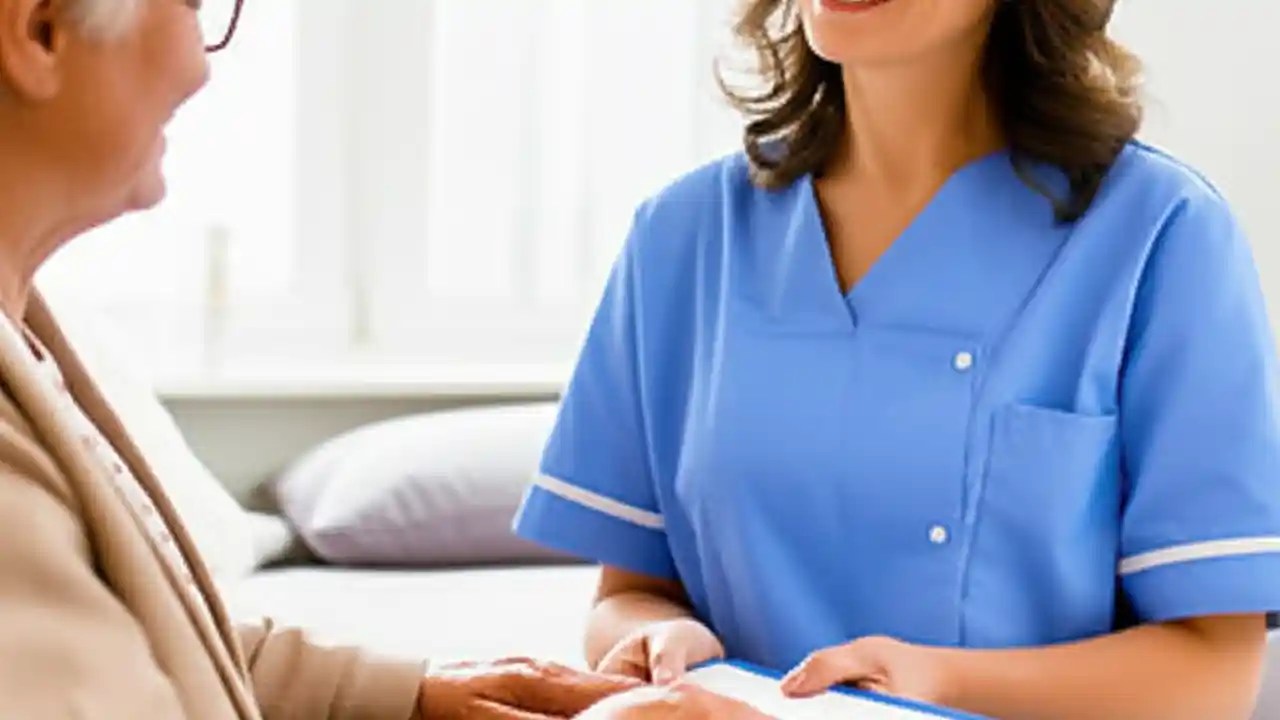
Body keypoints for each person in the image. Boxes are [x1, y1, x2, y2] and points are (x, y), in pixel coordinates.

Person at [514, 0, 1280, 717]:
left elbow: (1212, 670)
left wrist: (927, 686)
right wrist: (658, 640)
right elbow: (629, 595)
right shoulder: (683, 235)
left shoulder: (1159, 233)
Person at [0, 1, 657, 718]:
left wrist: (406, 695)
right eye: (192, 6)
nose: (201, 68)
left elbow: (136, 636)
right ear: (40, 30)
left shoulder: (29, 336)